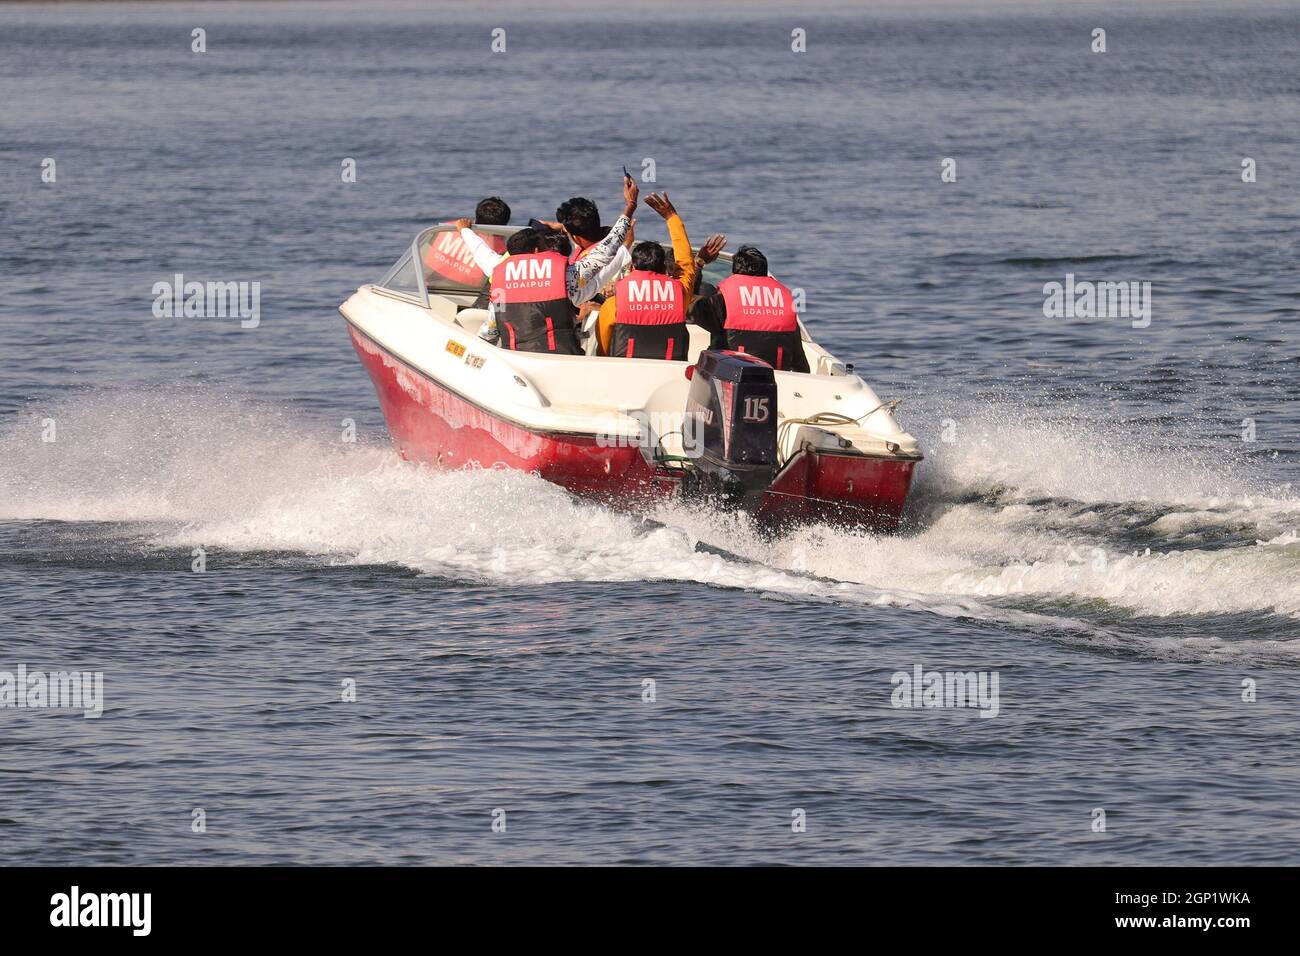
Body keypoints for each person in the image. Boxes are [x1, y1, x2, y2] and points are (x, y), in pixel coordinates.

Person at [453, 175, 639, 352]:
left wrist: (465, 231)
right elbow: (606, 252)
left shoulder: (499, 276)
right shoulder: (566, 279)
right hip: (561, 357)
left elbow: (489, 334)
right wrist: (630, 207)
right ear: (536, 251)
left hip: (519, 359)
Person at [593, 192, 701, 359]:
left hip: (625, 373)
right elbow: (686, 264)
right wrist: (672, 217)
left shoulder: (615, 303)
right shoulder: (679, 294)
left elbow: (603, 348)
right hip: (670, 374)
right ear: (665, 269)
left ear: (632, 267)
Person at [688, 245, 809, 372]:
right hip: (775, 380)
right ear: (765, 274)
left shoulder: (723, 300)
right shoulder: (784, 302)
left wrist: (699, 263)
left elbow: (686, 302)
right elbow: (799, 362)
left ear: (735, 274)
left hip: (730, 380)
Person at [423, 196, 512, 288]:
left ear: (477, 214)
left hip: (429, 286)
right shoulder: (500, 249)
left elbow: (424, 257)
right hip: (469, 293)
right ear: (504, 224)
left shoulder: (446, 228)